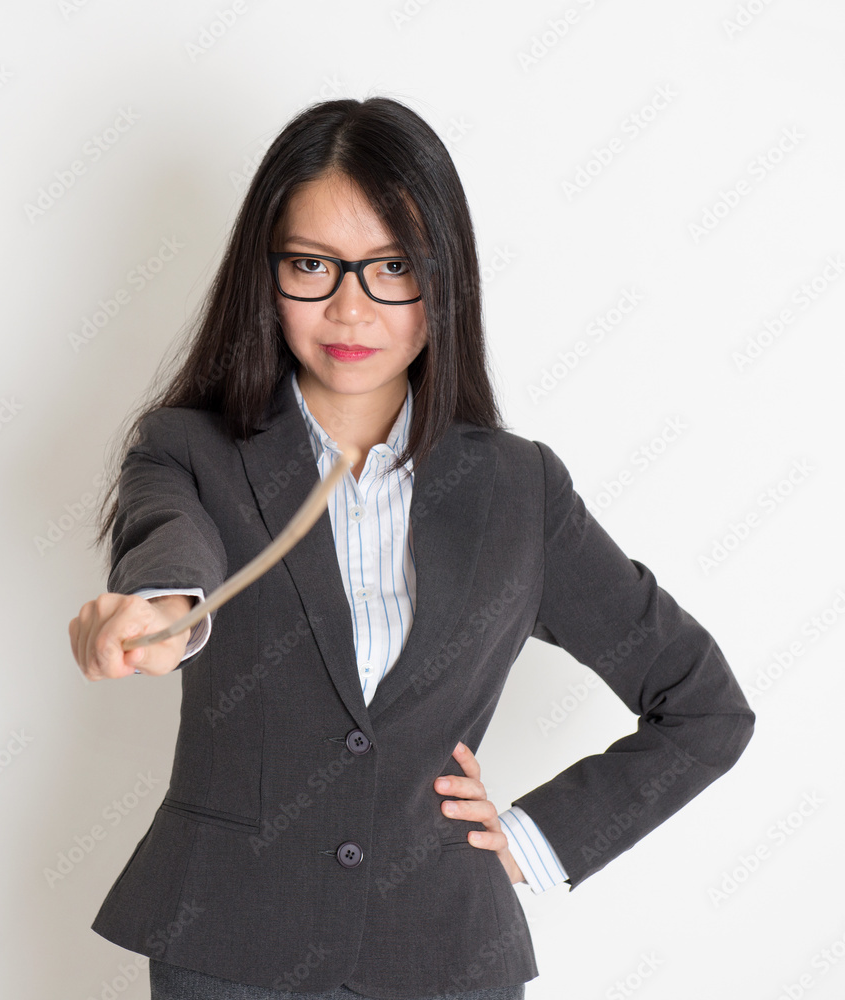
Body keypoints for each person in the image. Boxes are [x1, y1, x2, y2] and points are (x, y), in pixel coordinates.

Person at [68, 96, 754, 1000]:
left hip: (446, 957)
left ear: (444, 279)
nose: (349, 309)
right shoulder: (187, 448)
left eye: (392, 267)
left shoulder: (519, 490)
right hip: (231, 950)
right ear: (265, 276)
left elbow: (704, 709)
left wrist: (536, 841)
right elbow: (170, 542)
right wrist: (159, 611)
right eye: (311, 265)